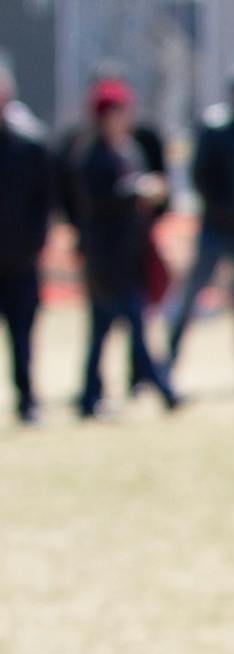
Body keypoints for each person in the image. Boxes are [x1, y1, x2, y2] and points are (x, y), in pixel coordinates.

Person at [67, 80, 176, 418]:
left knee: (103, 332)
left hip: (131, 255)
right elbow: (96, 203)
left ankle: (89, 396)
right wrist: (135, 193)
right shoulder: (90, 155)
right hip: (104, 258)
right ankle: (163, 390)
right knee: (131, 329)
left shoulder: (129, 150)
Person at [163, 74, 234, 387]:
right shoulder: (216, 131)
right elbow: (200, 176)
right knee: (191, 296)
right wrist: (222, 209)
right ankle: (167, 361)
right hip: (217, 229)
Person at [0, 60, 55, 424]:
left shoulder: (28, 144)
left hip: (19, 259)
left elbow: (45, 199)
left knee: (22, 337)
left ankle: (27, 400)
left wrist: (35, 243)